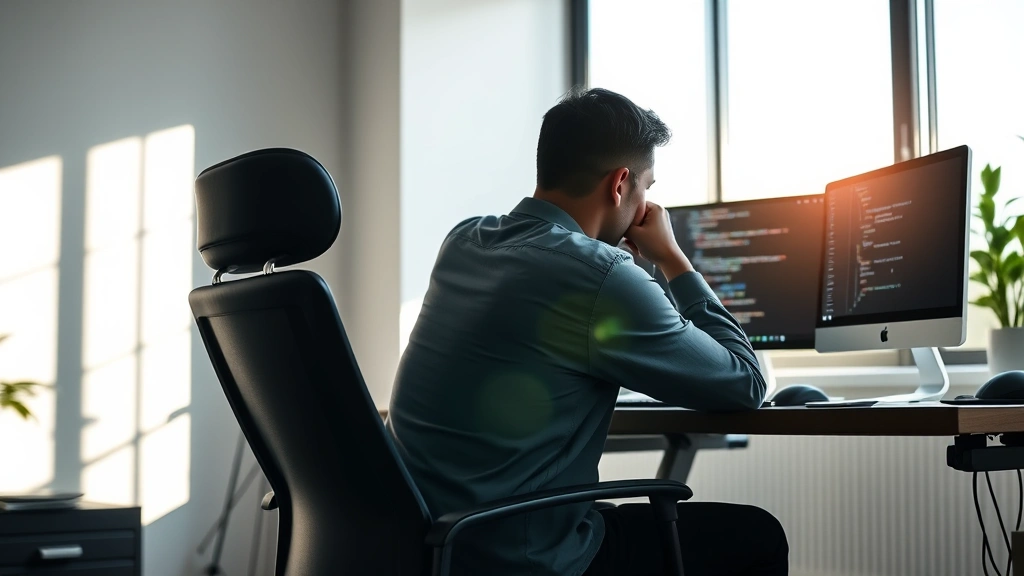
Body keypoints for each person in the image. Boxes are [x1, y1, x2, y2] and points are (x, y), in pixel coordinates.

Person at [387, 87, 788, 575]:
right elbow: (745, 383)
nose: (646, 204)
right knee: (757, 536)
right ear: (621, 184)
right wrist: (674, 261)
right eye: (647, 187)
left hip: (433, 545)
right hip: (522, 557)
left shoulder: (465, 240)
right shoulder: (601, 274)